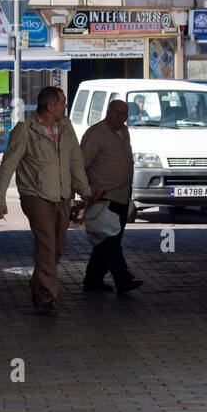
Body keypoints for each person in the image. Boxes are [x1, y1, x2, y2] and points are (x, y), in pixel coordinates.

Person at [0, 87, 99, 315]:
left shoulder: (66, 126)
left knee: (58, 245)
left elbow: (75, 162)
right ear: (50, 107)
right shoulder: (25, 130)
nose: (65, 106)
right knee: (47, 245)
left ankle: (38, 284)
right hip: (35, 195)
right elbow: (8, 165)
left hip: (62, 195)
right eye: (63, 103)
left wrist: (85, 191)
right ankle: (48, 298)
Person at [80, 99, 142, 294]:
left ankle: (93, 280)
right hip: (103, 196)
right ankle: (122, 279)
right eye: (116, 113)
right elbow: (81, 164)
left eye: (124, 114)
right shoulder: (96, 133)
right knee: (110, 242)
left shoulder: (124, 132)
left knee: (105, 242)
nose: (120, 117)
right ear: (108, 112)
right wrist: (85, 191)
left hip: (122, 195)